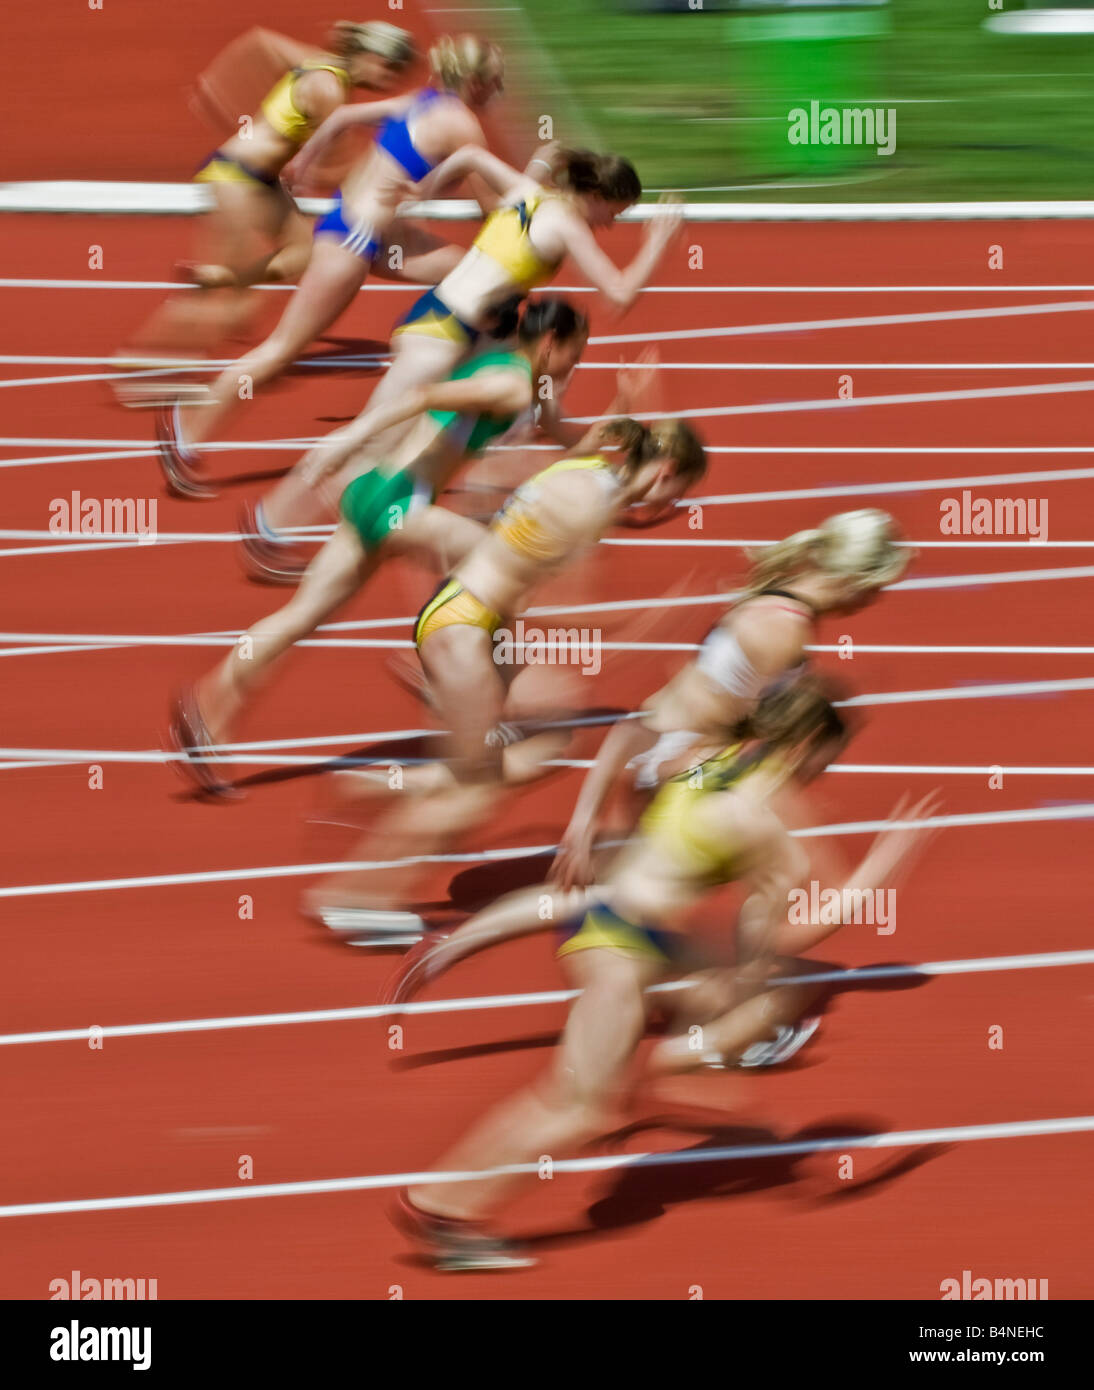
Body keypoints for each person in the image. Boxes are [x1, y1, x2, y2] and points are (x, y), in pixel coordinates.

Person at [388, 676, 940, 1270]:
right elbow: (780, 937)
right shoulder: (767, 831)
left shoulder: (705, 758)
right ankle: (442, 1208)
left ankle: (441, 1202)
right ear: (806, 746)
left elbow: (637, 742)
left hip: (598, 923)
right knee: (586, 1109)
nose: (830, 770)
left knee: (569, 1096)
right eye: (831, 757)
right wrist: (879, 869)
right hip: (621, 953)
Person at [168, 298, 599, 793]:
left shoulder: (524, 380)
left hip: (374, 495)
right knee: (501, 565)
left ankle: (206, 712)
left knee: (301, 617)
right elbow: (420, 395)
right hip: (399, 502)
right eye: (576, 354)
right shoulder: (512, 384)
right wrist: (346, 440)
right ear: (550, 345)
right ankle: (442, 674)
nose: (578, 365)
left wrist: (626, 421)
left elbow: (572, 437)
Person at [304, 415, 708, 940]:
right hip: (465, 628)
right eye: (678, 493)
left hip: (474, 617)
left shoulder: (587, 470)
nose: (673, 507)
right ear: (666, 472)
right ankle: (351, 898)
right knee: (474, 791)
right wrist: (650, 620)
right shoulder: (588, 509)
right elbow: (555, 612)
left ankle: (380, 786)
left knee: (549, 742)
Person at [155, 33, 508, 497]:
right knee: (282, 349)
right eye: (495, 82)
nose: (499, 92)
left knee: (468, 275)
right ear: (478, 83)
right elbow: (494, 211)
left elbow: (343, 116)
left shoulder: (423, 101)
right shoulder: (463, 125)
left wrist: (305, 159)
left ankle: (450, 387)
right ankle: (185, 428)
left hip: (363, 228)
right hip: (355, 239)